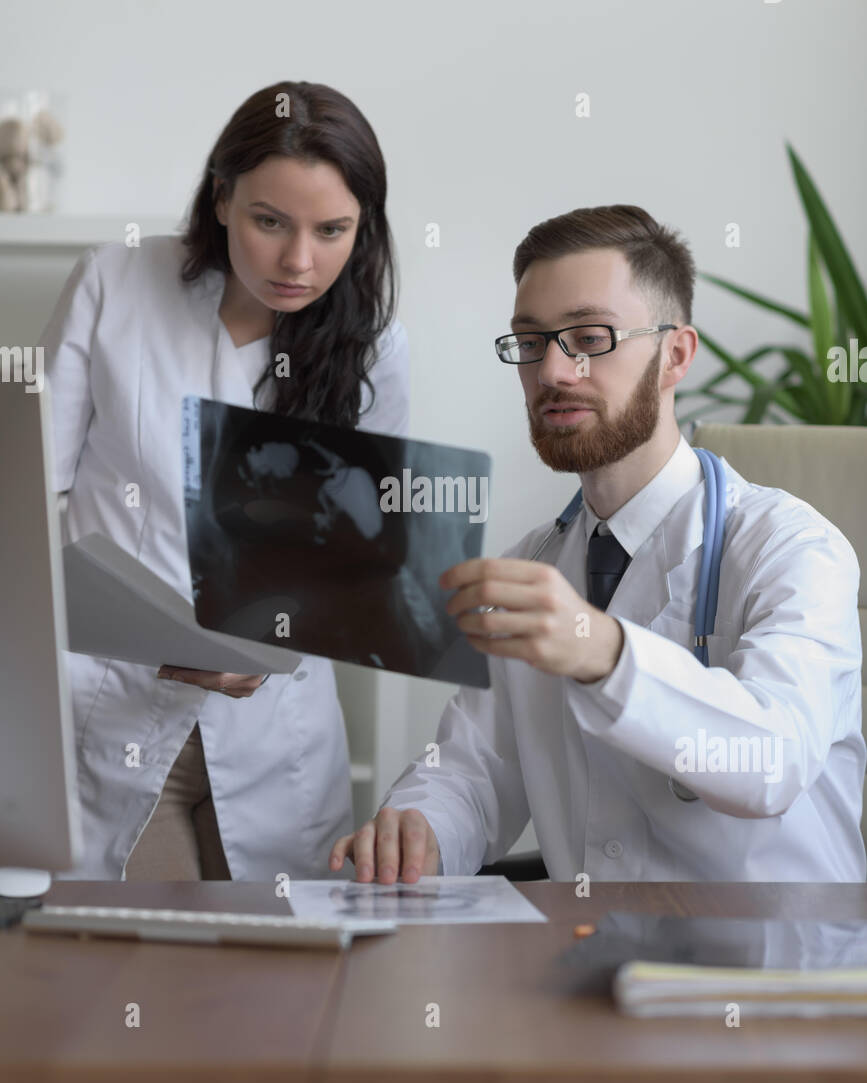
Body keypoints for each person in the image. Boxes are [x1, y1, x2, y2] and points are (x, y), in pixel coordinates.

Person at [330, 204, 866, 885]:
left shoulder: (790, 546)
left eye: (589, 337)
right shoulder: (534, 566)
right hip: (587, 963)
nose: (552, 370)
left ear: (674, 354)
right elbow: (474, 771)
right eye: (530, 341)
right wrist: (419, 828)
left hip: (772, 971)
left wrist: (603, 654)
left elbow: (774, 761)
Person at [41, 80, 409, 880]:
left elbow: (365, 558)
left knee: (274, 993)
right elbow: (31, 492)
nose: (298, 260)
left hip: (278, 735)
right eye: (269, 221)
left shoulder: (374, 347)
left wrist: (276, 635)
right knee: (133, 979)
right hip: (114, 716)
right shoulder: (113, 283)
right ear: (219, 199)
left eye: (332, 229)